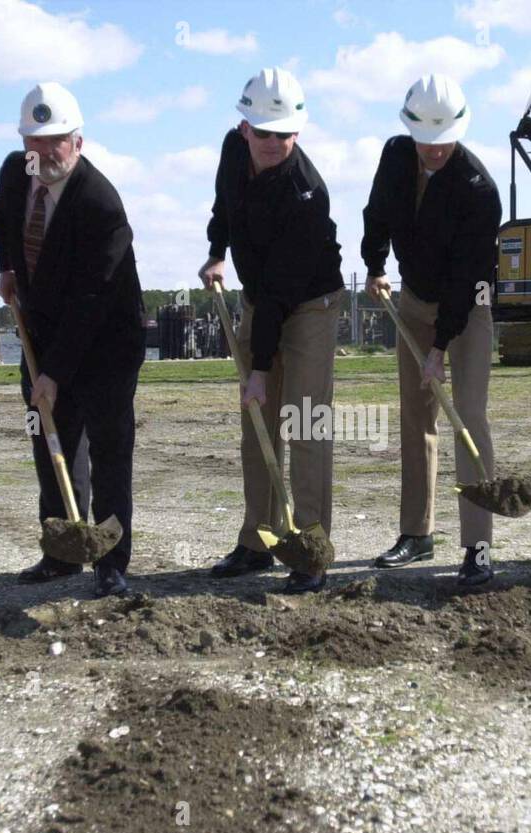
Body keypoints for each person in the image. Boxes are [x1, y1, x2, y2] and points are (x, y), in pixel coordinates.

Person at [0, 82, 146, 597]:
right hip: (45, 333)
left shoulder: (100, 204)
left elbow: (90, 303)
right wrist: (8, 267)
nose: (45, 153)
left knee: (108, 446)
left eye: (56, 141)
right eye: (35, 141)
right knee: (49, 437)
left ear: (78, 142)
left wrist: (54, 374)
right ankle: (61, 551)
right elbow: (0, 214)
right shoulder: (17, 172)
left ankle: (110, 561)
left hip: (106, 343)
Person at [198, 68, 345, 595]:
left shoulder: (305, 192)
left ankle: (310, 549)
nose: (273, 143)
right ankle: (259, 541)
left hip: (308, 303)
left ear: (297, 133)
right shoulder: (233, 152)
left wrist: (260, 369)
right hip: (260, 295)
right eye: (263, 132)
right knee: (256, 428)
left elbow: (284, 291)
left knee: (304, 422)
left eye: (284, 134)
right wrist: (216, 253)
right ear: (244, 129)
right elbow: (224, 207)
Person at [361, 74, 502, 587]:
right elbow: (376, 214)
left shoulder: (479, 190)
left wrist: (440, 346)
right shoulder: (396, 155)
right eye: (427, 140)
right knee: (416, 417)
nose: (436, 150)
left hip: (467, 308)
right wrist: (375, 265)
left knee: (469, 418)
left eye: (445, 139)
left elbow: (467, 279)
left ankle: (478, 547)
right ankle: (416, 533)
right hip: (414, 301)